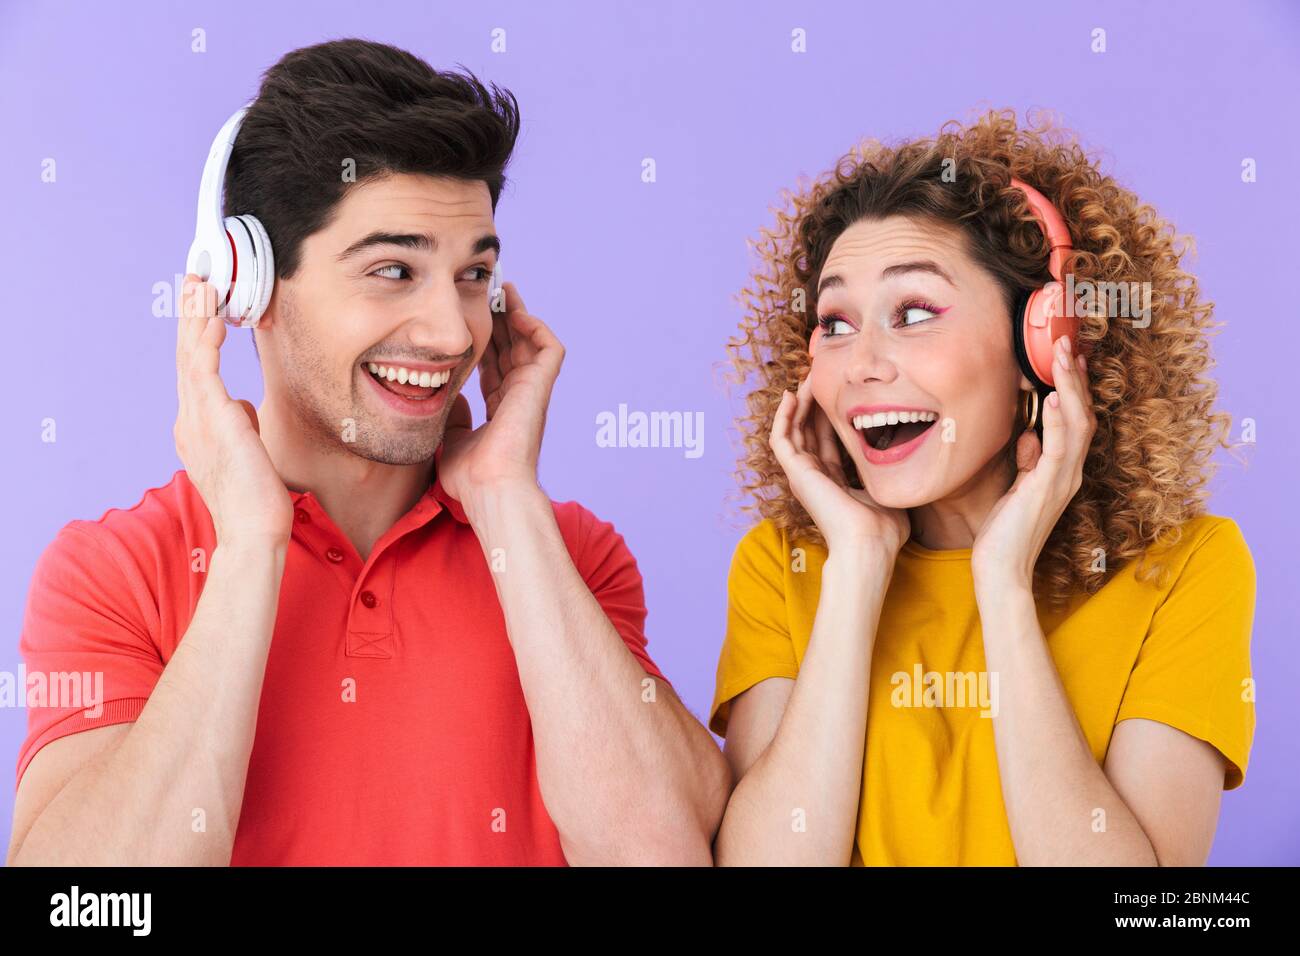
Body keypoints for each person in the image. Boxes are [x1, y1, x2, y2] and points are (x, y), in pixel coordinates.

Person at [8, 38, 728, 866]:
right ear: (249, 283)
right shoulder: (112, 572)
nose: (452, 332)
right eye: (393, 269)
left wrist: (503, 501)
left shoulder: (569, 556)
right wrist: (250, 546)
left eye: (472, 275)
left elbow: (661, 852)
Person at [710, 110, 1255, 866]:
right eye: (835, 323)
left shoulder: (1186, 569)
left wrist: (1002, 585)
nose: (862, 362)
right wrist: (857, 571)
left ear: (1046, 344)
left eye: (913, 313)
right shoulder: (783, 567)